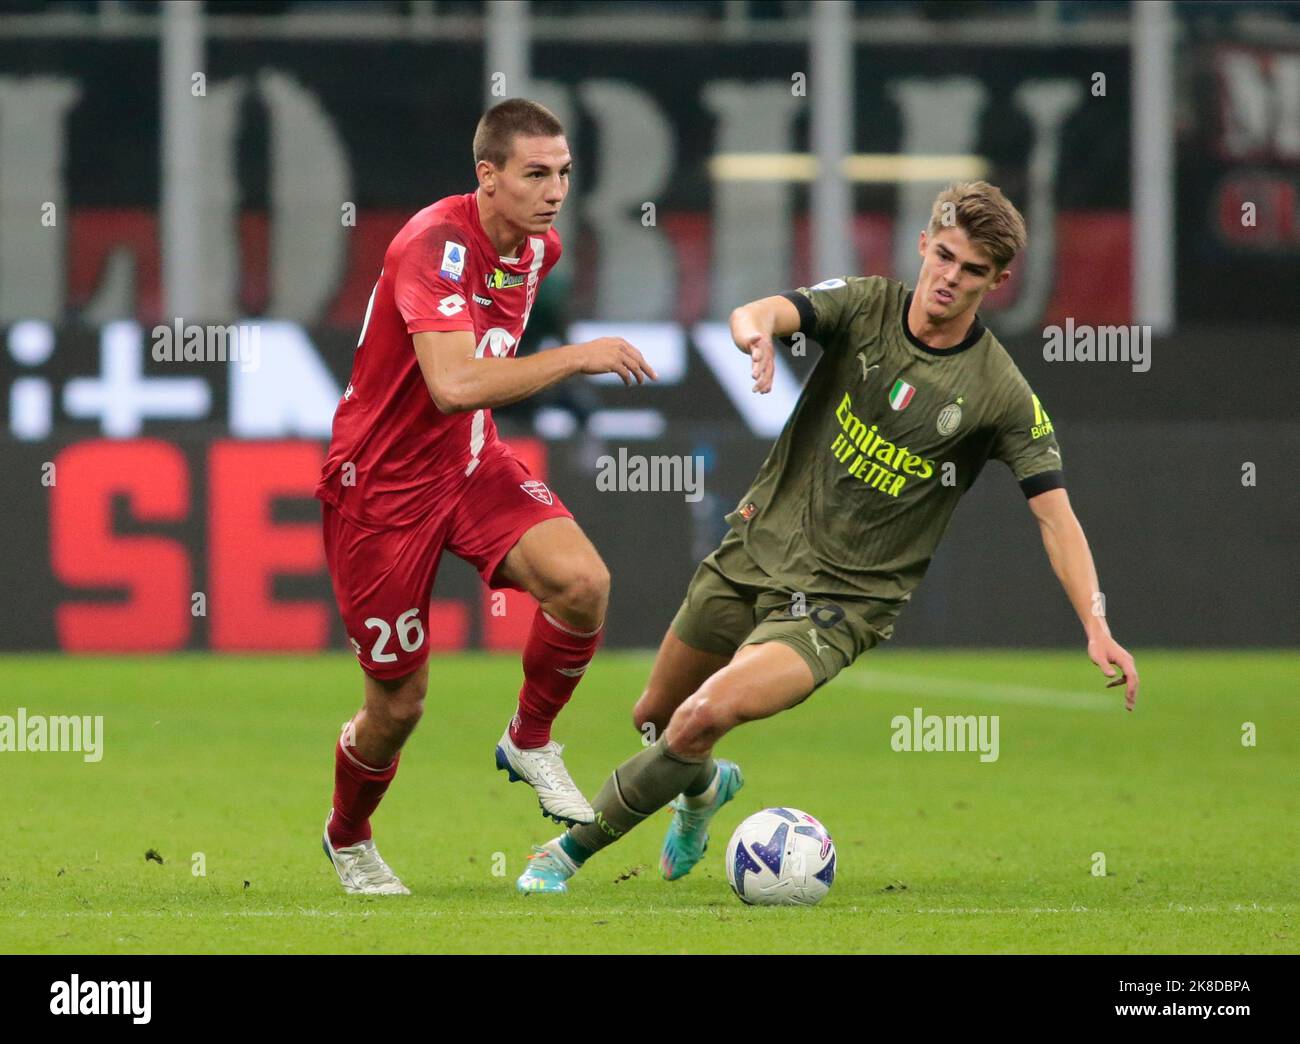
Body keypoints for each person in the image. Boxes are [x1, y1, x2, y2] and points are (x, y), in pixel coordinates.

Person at [515, 180, 1140, 894]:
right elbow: (765, 311)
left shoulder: (1000, 392)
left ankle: (565, 853)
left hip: (842, 603)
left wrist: (1095, 623)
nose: (950, 278)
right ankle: (705, 789)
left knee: (703, 714)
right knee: (657, 721)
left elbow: (1055, 514)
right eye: (944, 256)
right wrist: (755, 335)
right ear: (924, 247)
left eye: (972, 271)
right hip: (750, 553)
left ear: (997, 282)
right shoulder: (867, 305)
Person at [315, 99, 656, 894]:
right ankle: (348, 835)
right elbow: (453, 383)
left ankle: (528, 739)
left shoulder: (538, 250)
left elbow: (475, 390)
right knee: (398, 709)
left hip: (469, 465)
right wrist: (575, 358)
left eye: (565, 173)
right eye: (536, 174)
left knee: (583, 585)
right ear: (488, 176)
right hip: (381, 493)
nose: (555, 191)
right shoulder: (433, 244)